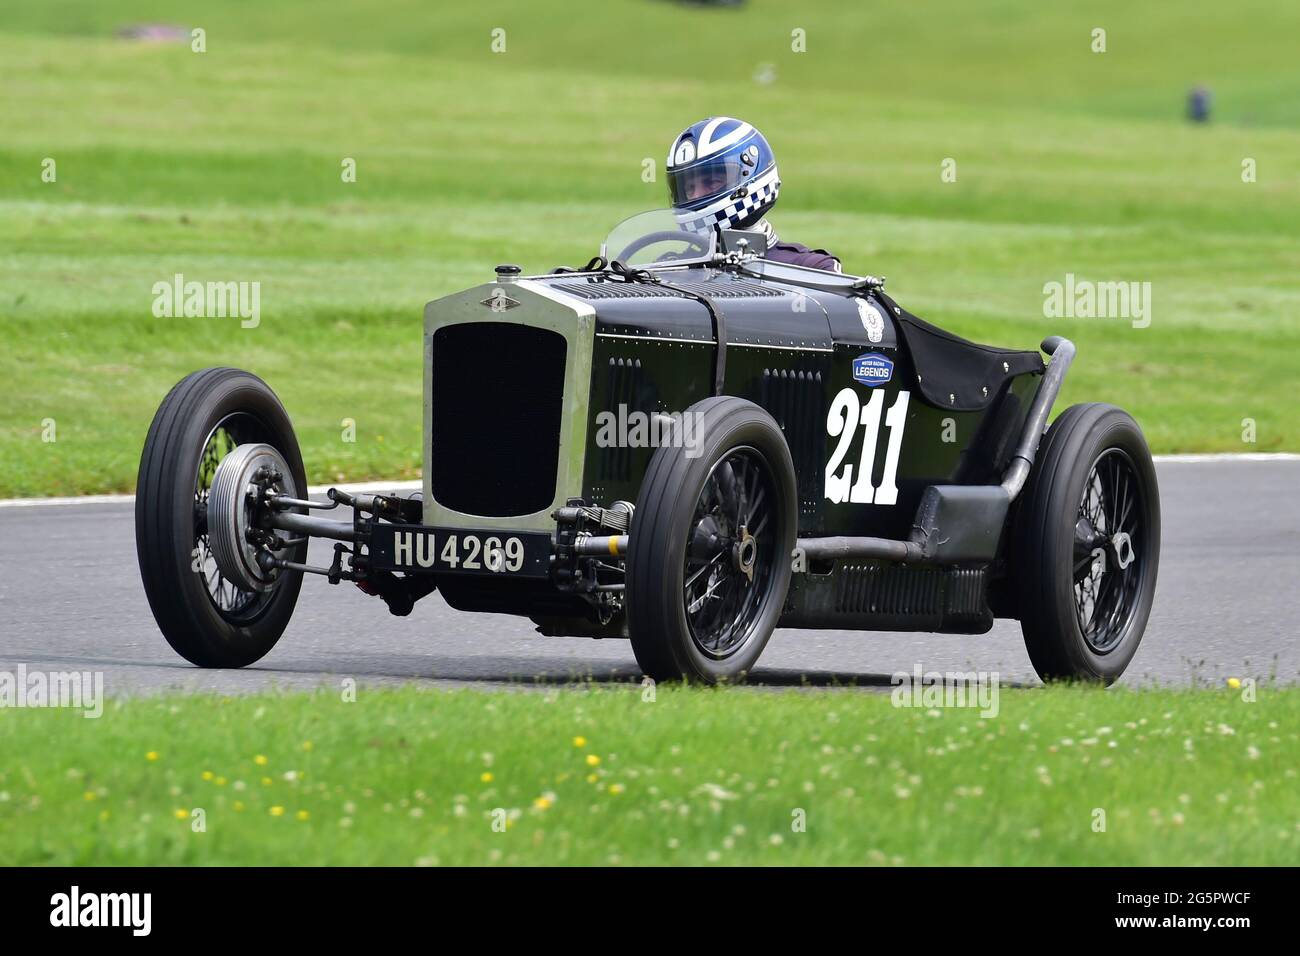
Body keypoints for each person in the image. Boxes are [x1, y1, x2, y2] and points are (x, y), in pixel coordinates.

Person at [665, 116, 841, 272]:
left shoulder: (809, 268)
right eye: (688, 188)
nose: (696, 195)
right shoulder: (671, 268)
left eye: (711, 183)